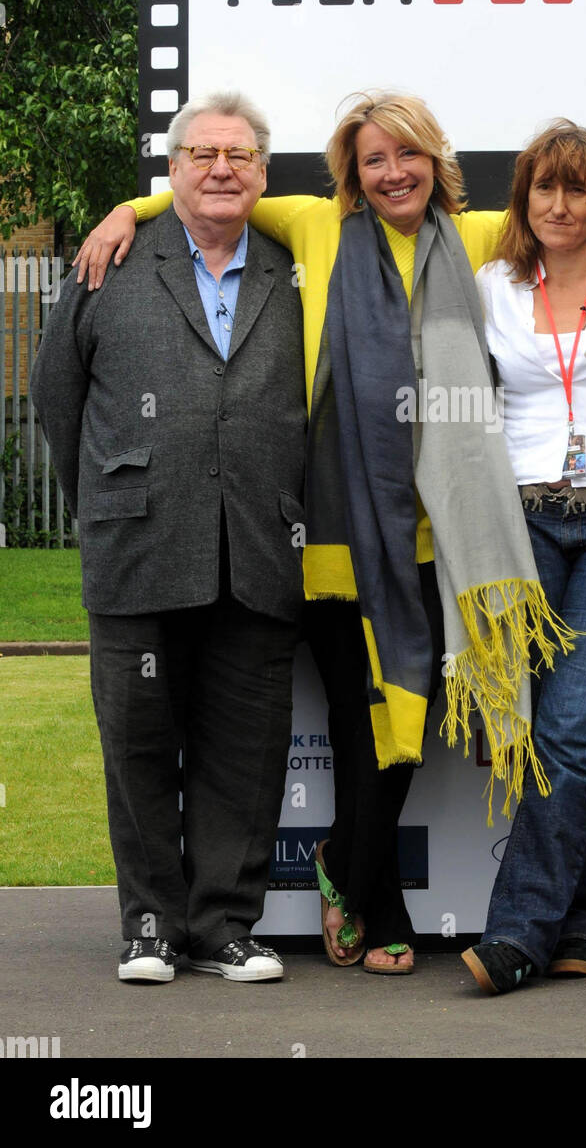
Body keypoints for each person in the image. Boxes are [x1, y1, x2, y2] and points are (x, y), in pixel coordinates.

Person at [76, 94, 586, 975]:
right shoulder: (313, 226)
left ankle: (344, 865)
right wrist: (130, 206)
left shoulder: (474, 240)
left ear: (435, 162)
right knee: (358, 725)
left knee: (407, 733)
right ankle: (378, 904)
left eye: (409, 156)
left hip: (435, 536)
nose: (393, 172)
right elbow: (205, 191)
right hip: (329, 534)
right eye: (375, 157)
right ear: (352, 168)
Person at [32, 92, 307, 983]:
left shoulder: (292, 268)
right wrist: (108, 497)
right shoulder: (110, 262)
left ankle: (225, 925)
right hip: (138, 548)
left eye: (239, 154)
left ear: (263, 173)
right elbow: (55, 393)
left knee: (245, 749)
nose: (222, 168)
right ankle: (149, 924)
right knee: (140, 744)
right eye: (202, 154)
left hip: (259, 550)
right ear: (173, 170)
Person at [460, 122, 586, 995]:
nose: (558, 205)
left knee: (571, 728)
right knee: (531, 728)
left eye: (577, 189)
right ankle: (583, 919)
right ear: (523, 198)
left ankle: (517, 932)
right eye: (543, 188)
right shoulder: (491, 287)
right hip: (521, 523)